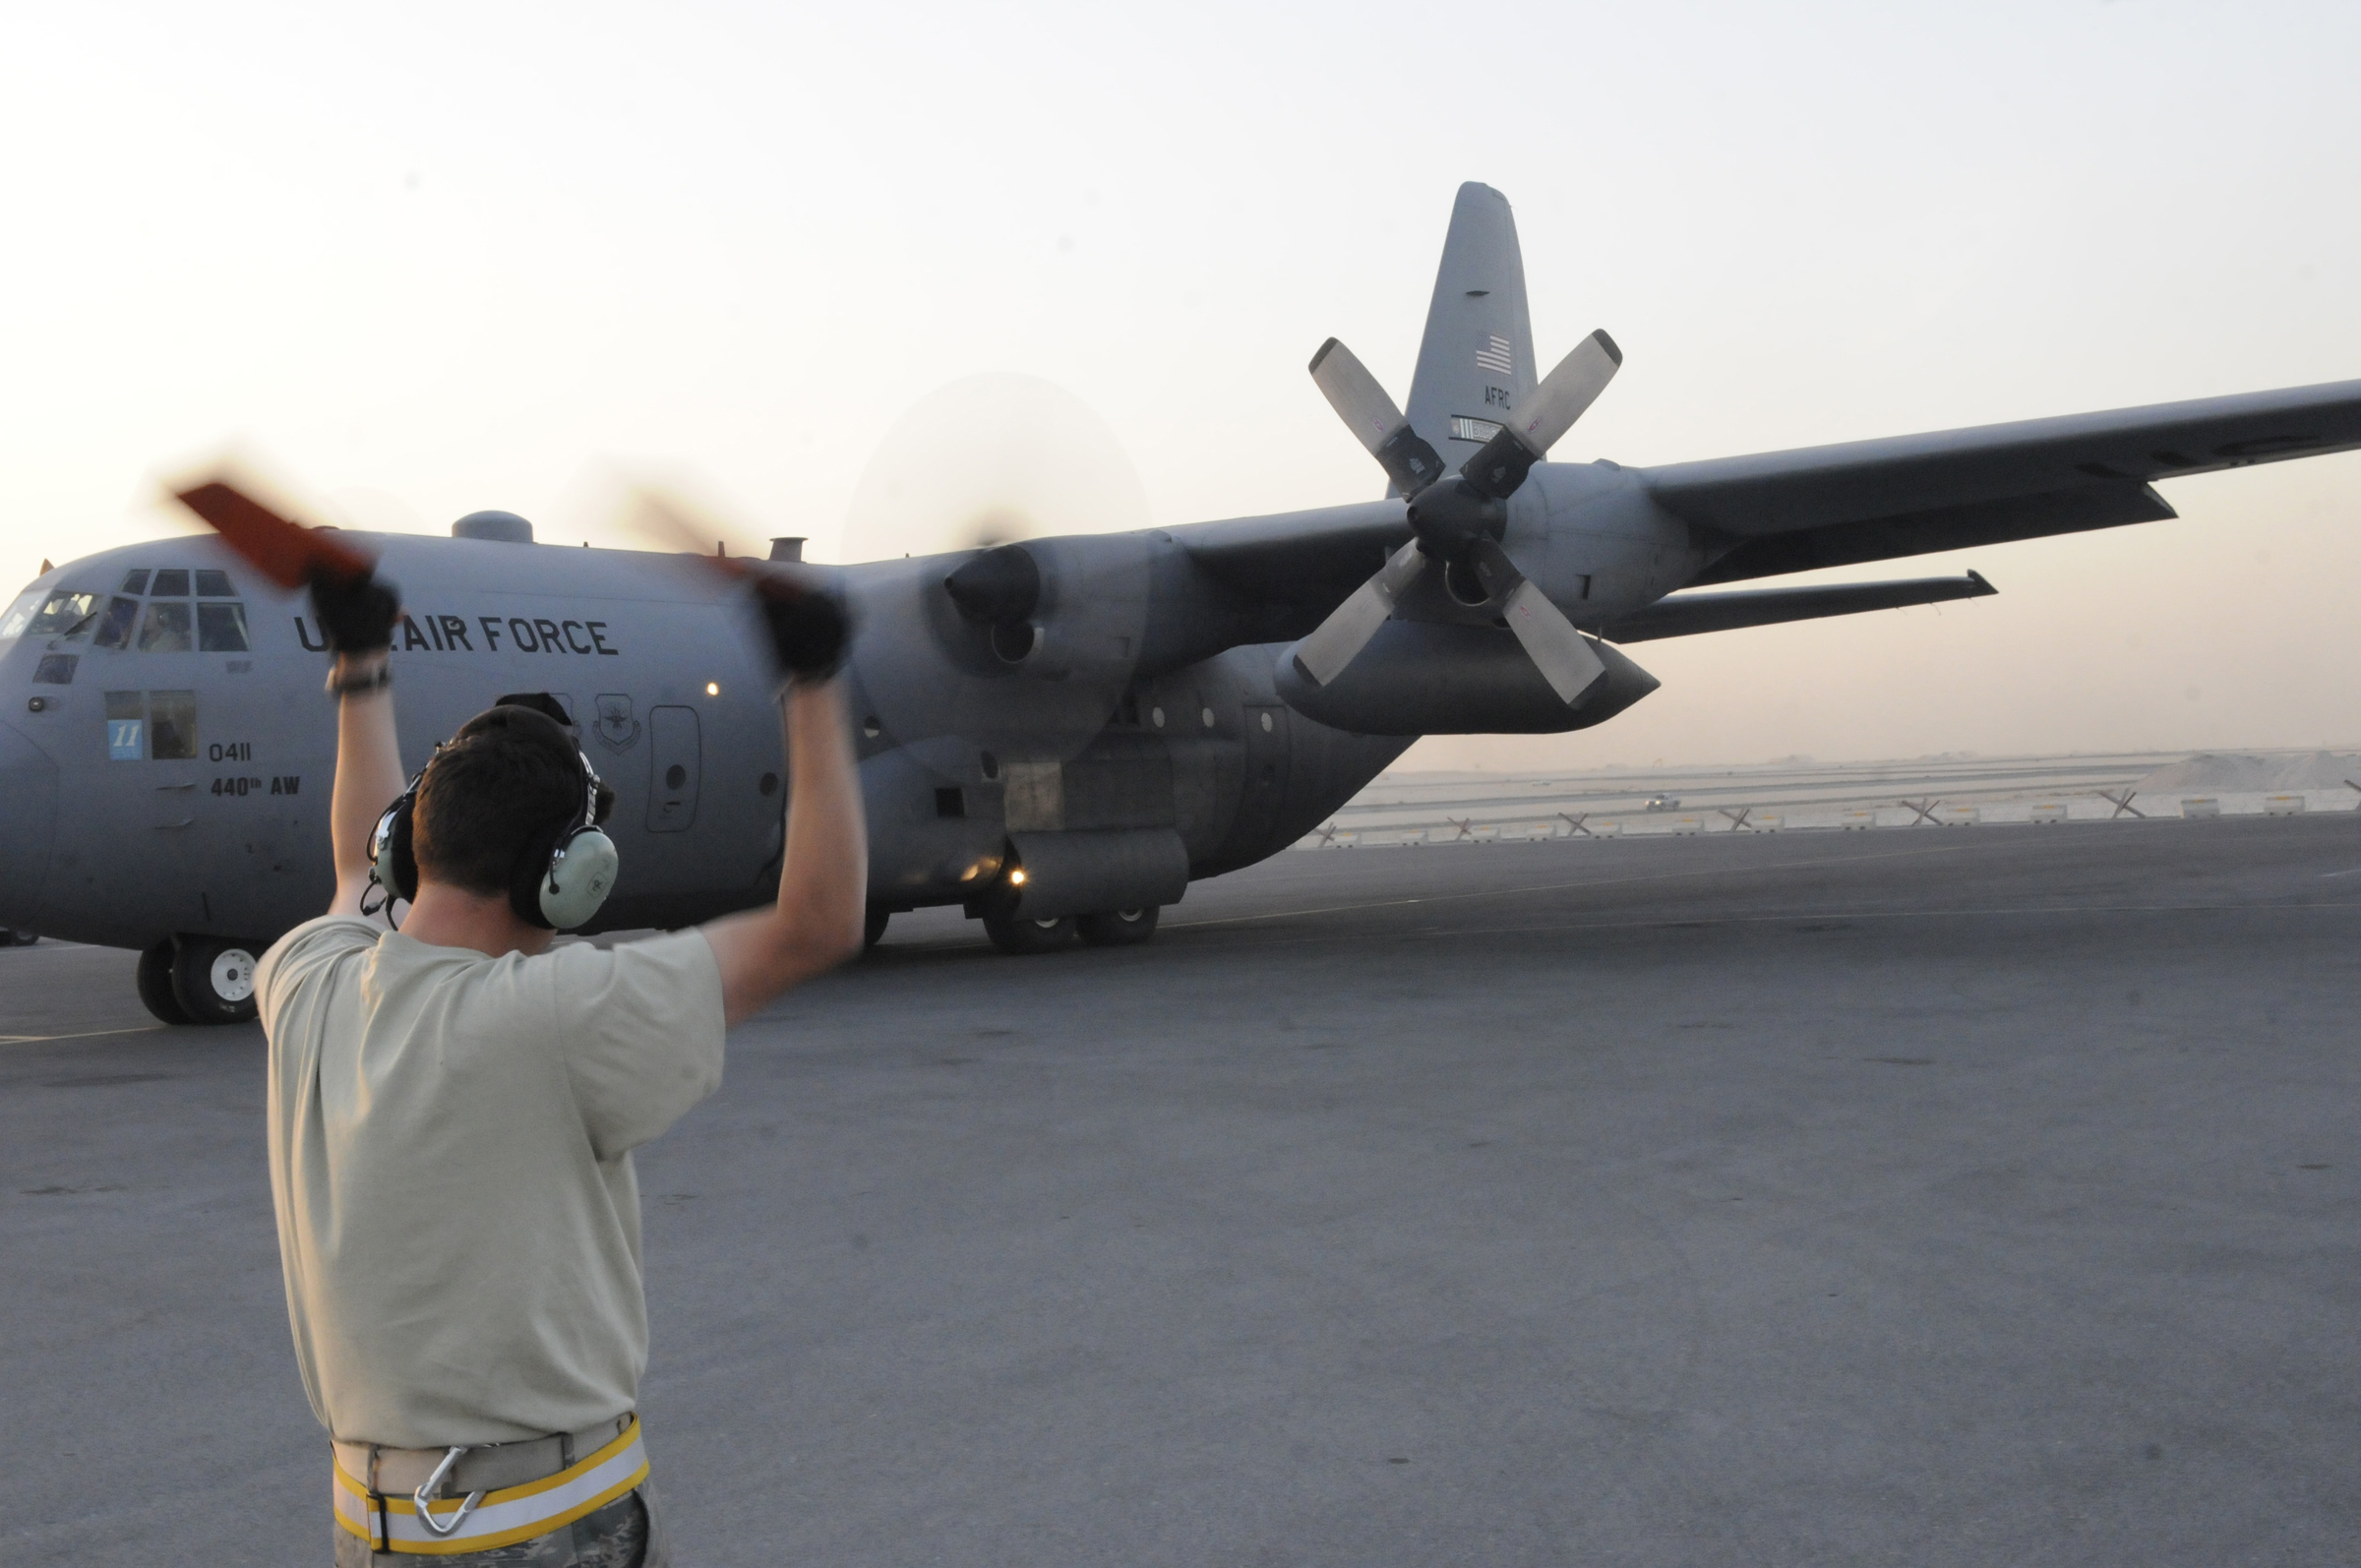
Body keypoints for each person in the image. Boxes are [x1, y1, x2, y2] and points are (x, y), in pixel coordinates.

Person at [256, 561, 867, 1566]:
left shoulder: (309, 985)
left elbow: (353, 872)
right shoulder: (557, 1015)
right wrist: (816, 680)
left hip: (376, 1532)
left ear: (414, 848)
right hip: (547, 1527)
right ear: (568, 878)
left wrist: (358, 665)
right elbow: (816, 923)